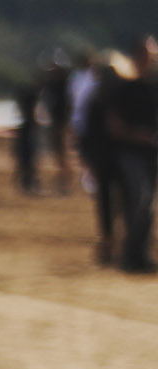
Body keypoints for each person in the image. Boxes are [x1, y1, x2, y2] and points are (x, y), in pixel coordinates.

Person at [106, 36, 158, 272]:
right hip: (130, 153)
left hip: (149, 154)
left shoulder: (151, 86)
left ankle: (139, 257)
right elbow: (113, 123)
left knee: (147, 205)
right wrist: (135, 135)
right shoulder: (122, 85)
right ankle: (130, 256)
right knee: (138, 200)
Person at [80, 52, 125, 263]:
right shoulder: (108, 97)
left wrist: (87, 156)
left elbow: (85, 132)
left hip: (103, 157)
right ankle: (114, 244)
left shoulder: (95, 97)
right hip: (115, 157)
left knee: (107, 204)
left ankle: (109, 243)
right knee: (119, 203)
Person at [42, 51, 75, 192]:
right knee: (57, 151)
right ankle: (63, 175)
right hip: (55, 121)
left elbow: (69, 105)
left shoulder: (65, 85)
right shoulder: (52, 84)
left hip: (62, 122)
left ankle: (65, 177)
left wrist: (67, 123)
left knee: (62, 151)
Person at [14, 81, 40, 193]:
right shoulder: (30, 123)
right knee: (29, 158)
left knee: (24, 159)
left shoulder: (25, 122)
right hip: (29, 131)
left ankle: (26, 182)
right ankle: (29, 182)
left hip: (25, 130)